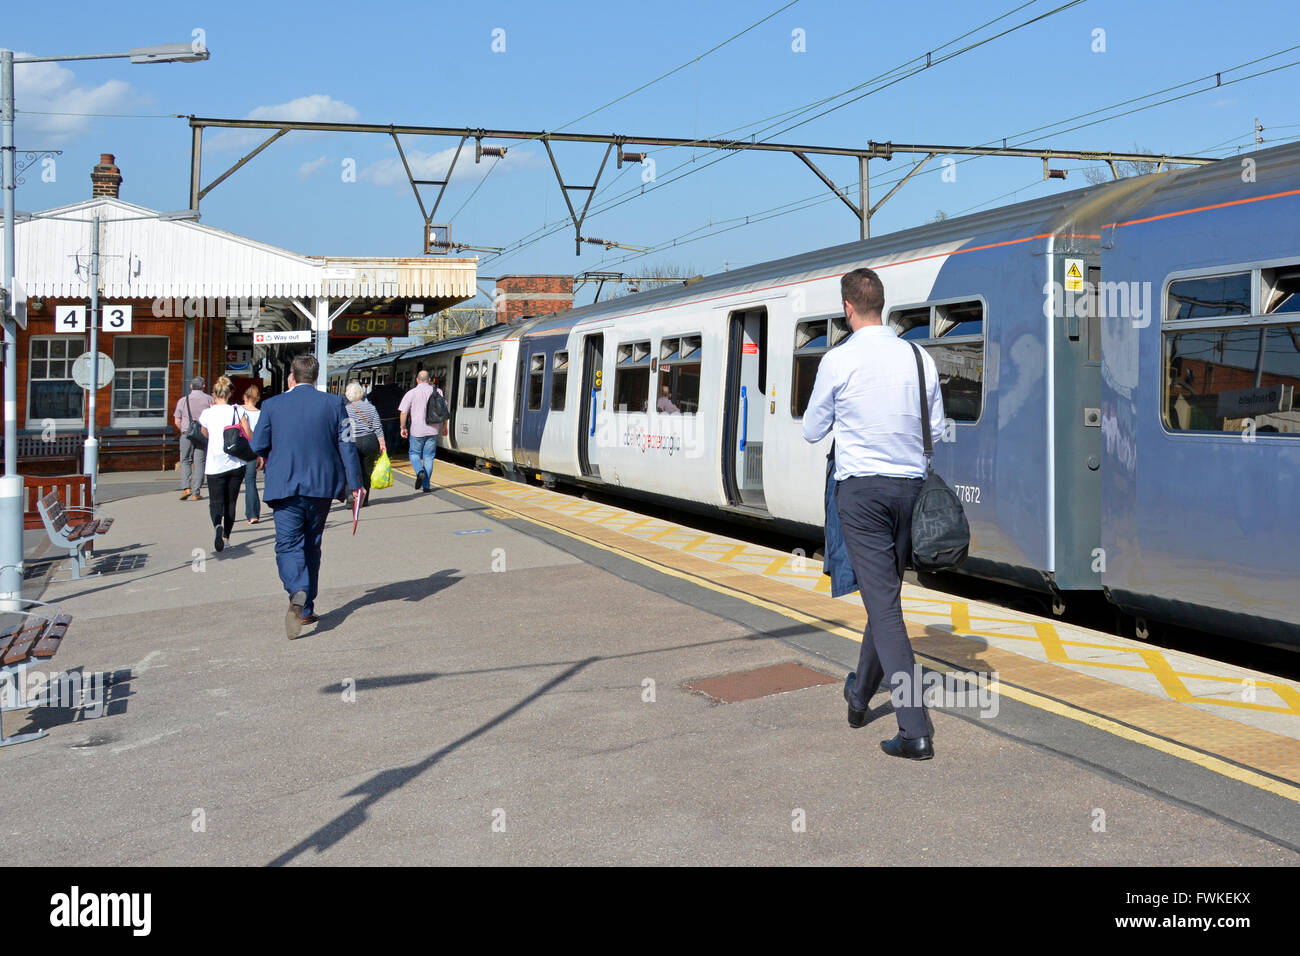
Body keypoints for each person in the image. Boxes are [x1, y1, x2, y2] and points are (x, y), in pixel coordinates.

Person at [801, 267, 945, 761]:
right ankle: (859, 695)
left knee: (884, 608)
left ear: (847, 309)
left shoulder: (839, 361)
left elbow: (812, 429)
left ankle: (913, 729)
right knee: (883, 599)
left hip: (862, 496)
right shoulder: (918, 356)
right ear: (881, 304)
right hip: (911, 492)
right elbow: (939, 429)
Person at [250, 354, 363, 639]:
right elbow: (348, 446)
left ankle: (297, 590)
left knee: (288, 545)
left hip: (284, 486)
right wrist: (355, 485)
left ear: (291, 377)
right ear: (316, 376)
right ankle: (307, 606)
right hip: (322, 487)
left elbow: (259, 444)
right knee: (312, 544)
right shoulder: (336, 403)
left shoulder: (272, 405)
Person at [198, 377, 252, 554]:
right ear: (229, 394)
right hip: (236, 463)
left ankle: (217, 525)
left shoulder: (206, 414)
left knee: (215, 501)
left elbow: (204, 434)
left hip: (214, 464)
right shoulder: (237, 410)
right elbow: (249, 435)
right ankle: (226, 538)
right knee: (231, 502)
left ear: (214, 394)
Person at [398, 370, 443, 492]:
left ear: (417, 380)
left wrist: (403, 427)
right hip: (433, 430)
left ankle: (419, 471)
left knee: (414, 454)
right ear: (429, 380)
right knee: (429, 457)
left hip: (417, 430)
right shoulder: (438, 392)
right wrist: (445, 427)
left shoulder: (411, 393)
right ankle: (426, 486)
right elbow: (444, 411)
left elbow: (404, 412)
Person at [344, 379, 386, 506]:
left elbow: (344, 430)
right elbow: (377, 427)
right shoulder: (371, 408)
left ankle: (351, 496)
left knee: (351, 469)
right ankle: (365, 500)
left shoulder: (346, 409)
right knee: (366, 471)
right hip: (369, 441)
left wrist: (342, 447)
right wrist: (382, 444)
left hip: (353, 442)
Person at [173, 376, 213, 501]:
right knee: (200, 462)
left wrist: (184, 430)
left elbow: (177, 420)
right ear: (204, 386)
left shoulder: (182, 400)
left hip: (186, 434)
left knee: (185, 461)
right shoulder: (209, 399)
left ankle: (186, 488)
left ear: (191, 386)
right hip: (202, 434)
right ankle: (196, 492)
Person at [240, 384, 264, 525]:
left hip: (237, 450)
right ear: (257, 399)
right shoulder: (261, 414)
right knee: (250, 482)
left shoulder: (237, 411)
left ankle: (226, 513)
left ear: (245, 397)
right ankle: (253, 514)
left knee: (233, 484)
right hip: (253, 451)